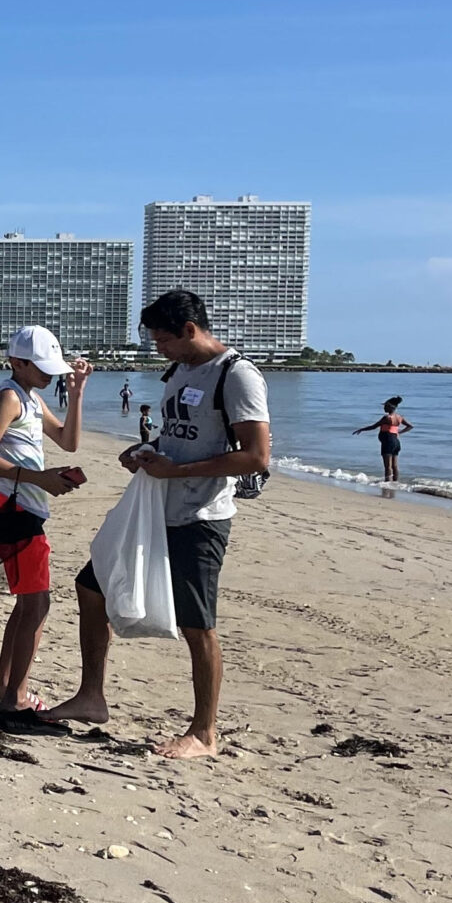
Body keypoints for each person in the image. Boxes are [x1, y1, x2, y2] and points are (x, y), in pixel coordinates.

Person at [50, 288, 270, 759]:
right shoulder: (181, 370)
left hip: (201, 515)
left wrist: (179, 471)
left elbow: (255, 455)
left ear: (190, 330)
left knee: (198, 624)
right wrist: (144, 453)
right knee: (92, 584)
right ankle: (91, 696)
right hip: (156, 507)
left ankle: (204, 733)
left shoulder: (237, 375)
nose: (158, 349)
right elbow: (180, 433)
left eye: (163, 340)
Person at [0, 327, 88, 728]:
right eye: (42, 368)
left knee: (27, 602)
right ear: (17, 363)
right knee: (37, 603)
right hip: (14, 507)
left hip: (23, 506)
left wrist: (79, 390)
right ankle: (14, 699)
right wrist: (40, 479)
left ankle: (2, 686)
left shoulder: (31, 398)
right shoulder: (8, 397)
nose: (50, 375)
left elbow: (68, 442)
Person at [356, 396, 411, 485]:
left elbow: (374, 426)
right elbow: (410, 426)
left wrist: (362, 429)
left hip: (388, 441)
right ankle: (395, 483)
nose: (384, 408)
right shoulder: (399, 417)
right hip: (396, 442)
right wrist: (399, 433)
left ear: (390, 407)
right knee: (395, 465)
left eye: (385, 406)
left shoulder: (387, 418)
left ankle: (387, 484)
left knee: (387, 466)